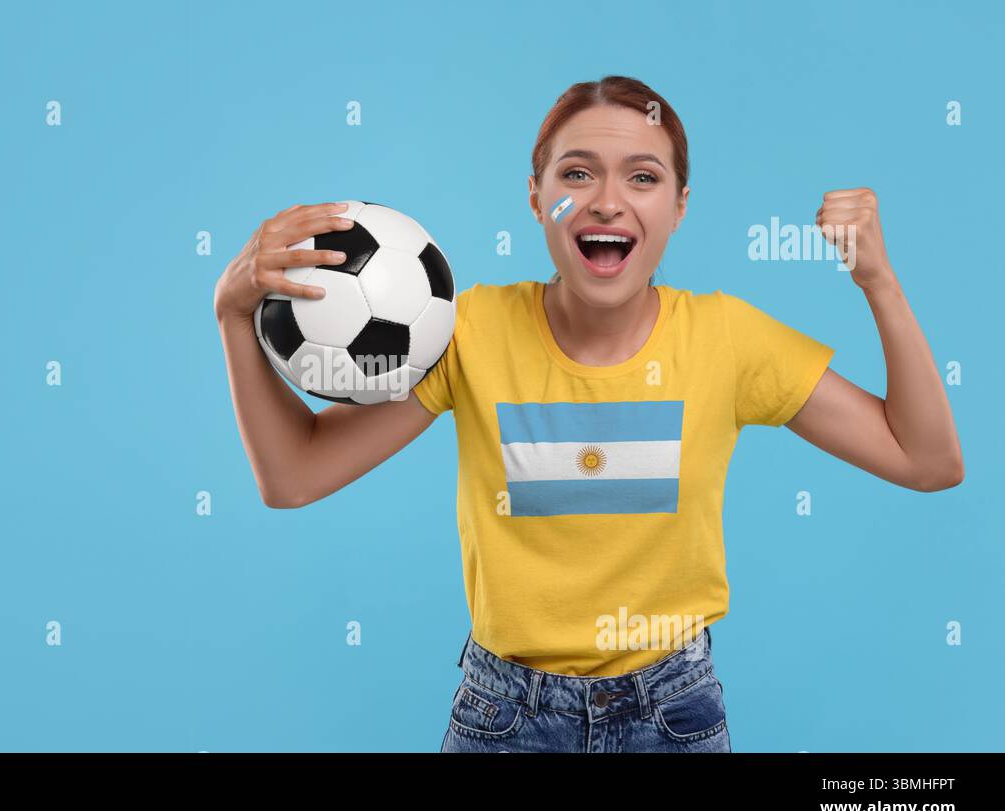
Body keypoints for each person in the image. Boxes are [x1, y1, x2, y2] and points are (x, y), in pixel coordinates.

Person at [211, 76, 964, 752]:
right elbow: (294, 474)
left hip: (672, 715)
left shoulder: (728, 340)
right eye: (577, 174)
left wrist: (880, 283)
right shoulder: (467, 332)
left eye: (644, 177)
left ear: (678, 207)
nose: (608, 201)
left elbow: (926, 460)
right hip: (503, 717)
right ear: (537, 196)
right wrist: (231, 317)